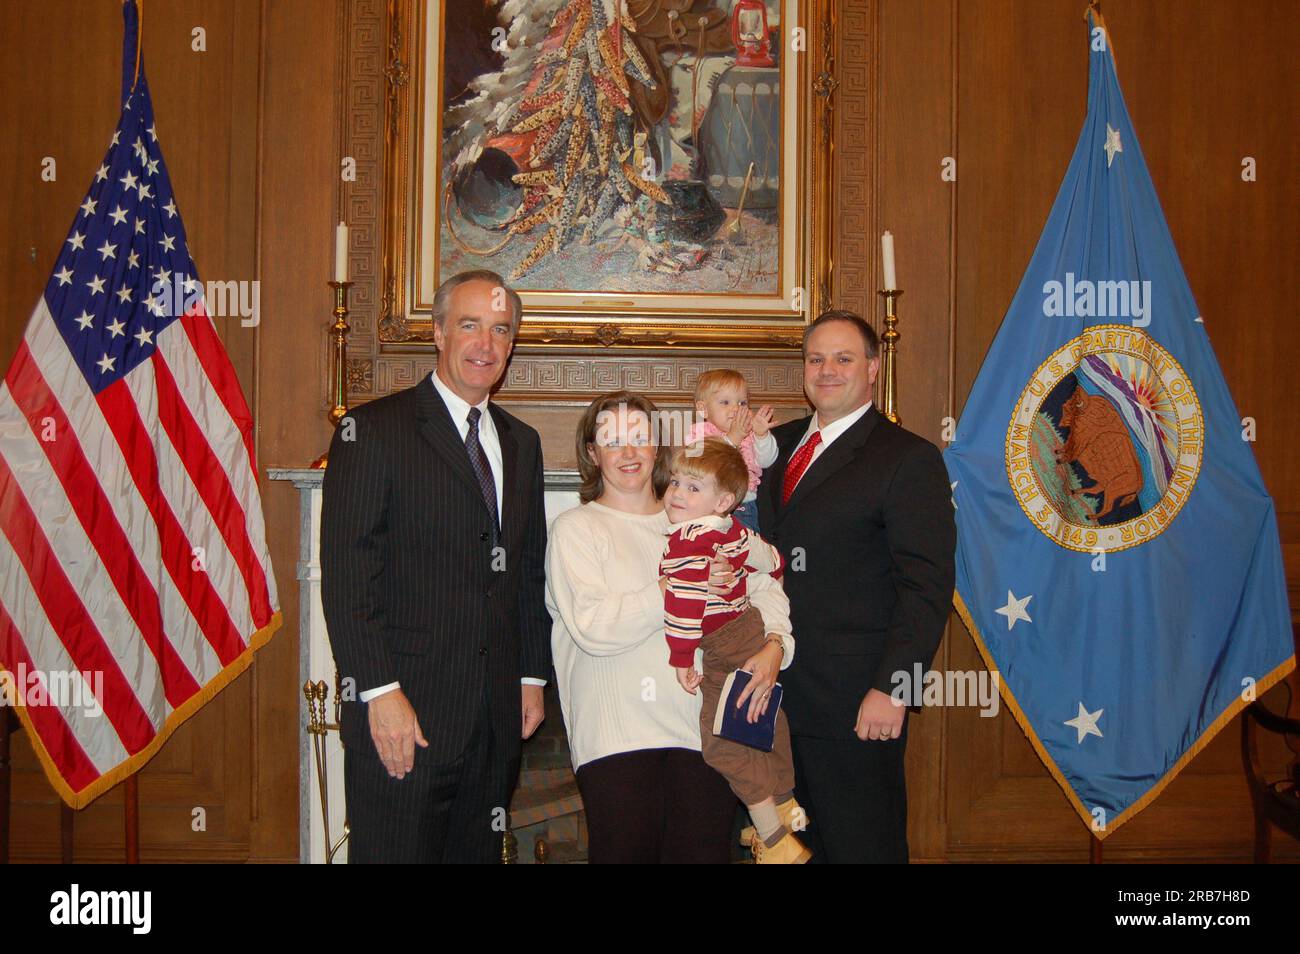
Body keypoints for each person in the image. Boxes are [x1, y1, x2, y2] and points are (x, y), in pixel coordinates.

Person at [320, 269, 551, 863]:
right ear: (439, 332)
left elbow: (526, 571)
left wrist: (529, 676)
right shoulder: (371, 431)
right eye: (470, 325)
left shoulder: (521, 443)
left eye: (501, 330)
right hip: (404, 714)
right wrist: (380, 692)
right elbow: (349, 577)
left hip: (495, 719)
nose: (485, 344)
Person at [545, 391, 794, 863]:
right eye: (612, 440)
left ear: (658, 447)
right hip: (616, 740)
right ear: (593, 453)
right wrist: (674, 586)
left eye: (640, 437)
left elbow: (767, 587)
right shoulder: (575, 529)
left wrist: (776, 646)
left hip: (702, 735)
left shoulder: (697, 517)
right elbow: (595, 628)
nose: (629, 451)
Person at [757, 310, 956, 863]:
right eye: (815, 358)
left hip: (856, 704)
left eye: (843, 358)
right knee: (789, 850)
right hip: (773, 704)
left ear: (872, 368)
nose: (827, 370)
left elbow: (927, 587)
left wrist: (895, 687)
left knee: (862, 846)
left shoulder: (908, 458)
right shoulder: (775, 447)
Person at [661, 438, 809, 863]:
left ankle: (775, 840)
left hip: (724, 644)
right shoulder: (731, 529)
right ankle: (784, 802)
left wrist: (681, 659)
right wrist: (765, 570)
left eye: (693, 487)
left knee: (722, 742)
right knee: (761, 716)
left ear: (724, 499)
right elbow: (771, 559)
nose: (677, 494)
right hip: (749, 628)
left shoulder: (687, 539)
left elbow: (684, 605)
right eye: (675, 483)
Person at [685, 369, 778, 531]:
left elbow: (766, 461)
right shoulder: (699, 433)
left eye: (742, 403)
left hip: (744, 504)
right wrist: (733, 438)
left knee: (744, 549)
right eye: (725, 402)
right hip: (707, 506)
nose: (736, 409)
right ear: (703, 409)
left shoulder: (749, 433)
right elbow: (703, 464)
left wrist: (762, 436)